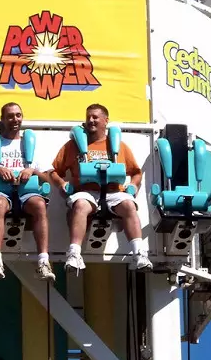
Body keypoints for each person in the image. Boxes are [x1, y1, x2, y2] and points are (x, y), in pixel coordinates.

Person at [49, 104, 153, 273]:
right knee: (81, 204)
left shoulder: (118, 146)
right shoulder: (72, 146)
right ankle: (74, 253)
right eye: (88, 117)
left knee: (129, 205)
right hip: (86, 192)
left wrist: (134, 185)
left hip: (114, 192)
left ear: (106, 120)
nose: (91, 120)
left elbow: (136, 172)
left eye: (95, 117)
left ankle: (139, 253)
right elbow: (53, 171)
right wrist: (62, 184)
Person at [0, 102, 55, 282]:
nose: (15, 119)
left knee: (40, 204)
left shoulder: (30, 144)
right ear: (2, 119)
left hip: (26, 193)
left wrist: (32, 171)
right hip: (1, 193)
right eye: (10, 116)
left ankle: (43, 261)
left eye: (18, 115)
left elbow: (48, 179)